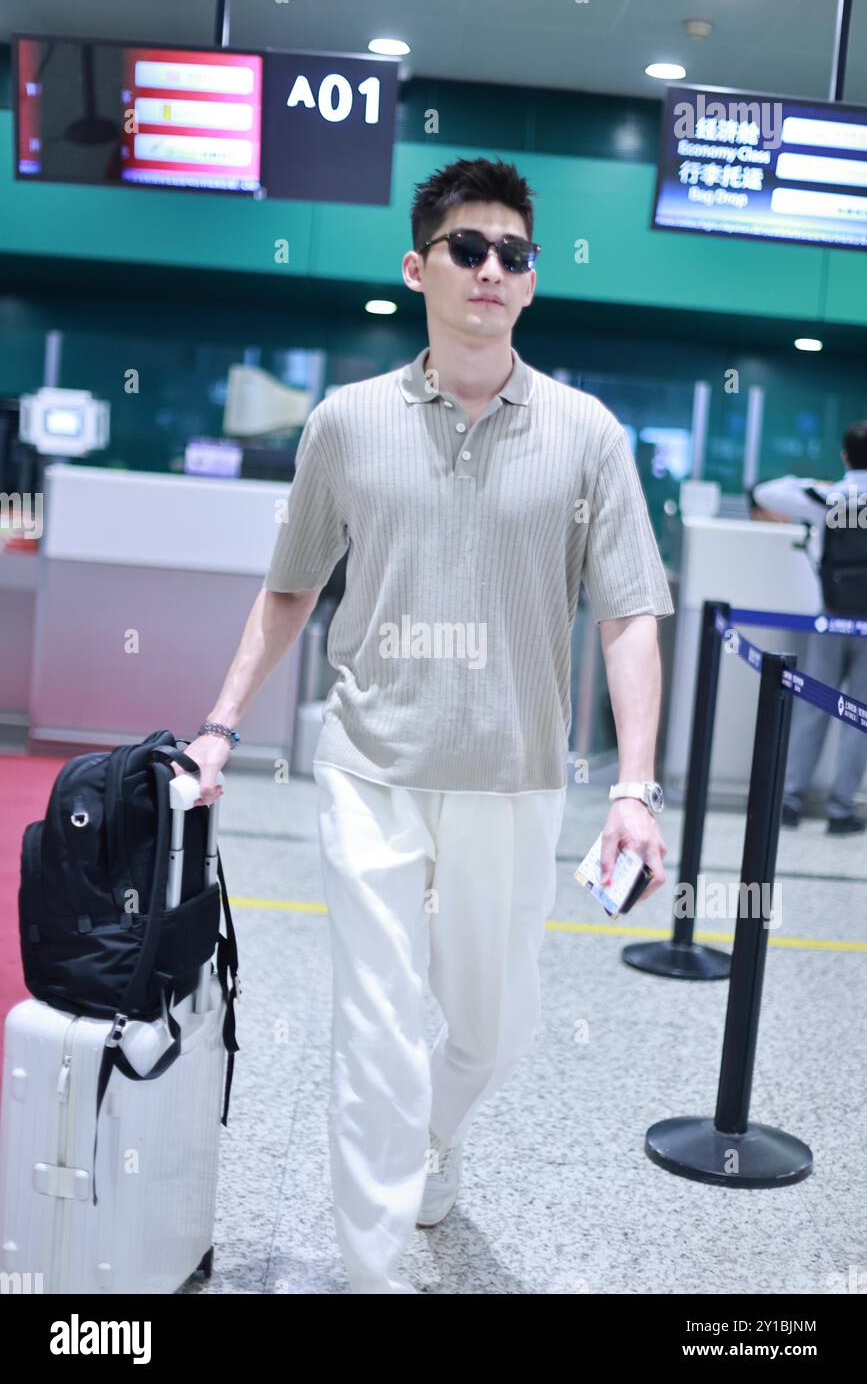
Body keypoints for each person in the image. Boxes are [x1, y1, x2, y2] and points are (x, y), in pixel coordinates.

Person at [173, 156, 674, 1294]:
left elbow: (630, 615)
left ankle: (435, 1137)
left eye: (516, 253)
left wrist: (634, 788)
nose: (494, 269)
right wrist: (217, 726)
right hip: (371, 763)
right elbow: (291, 585)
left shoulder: (589, 434)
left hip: (516, 770)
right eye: (470, 248)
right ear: (419, 267)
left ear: (533, 282)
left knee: (490, 1033)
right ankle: (367, 1267)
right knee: (378, 1022)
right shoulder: (345, 425)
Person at [752, 419, 867, 834]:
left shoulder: (828, 496)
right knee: (861, 717)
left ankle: (790, 801)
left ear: (844, 456)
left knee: (814, 706)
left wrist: (813, 480)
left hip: (832, 617)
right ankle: (841, 810)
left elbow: (765, 492)